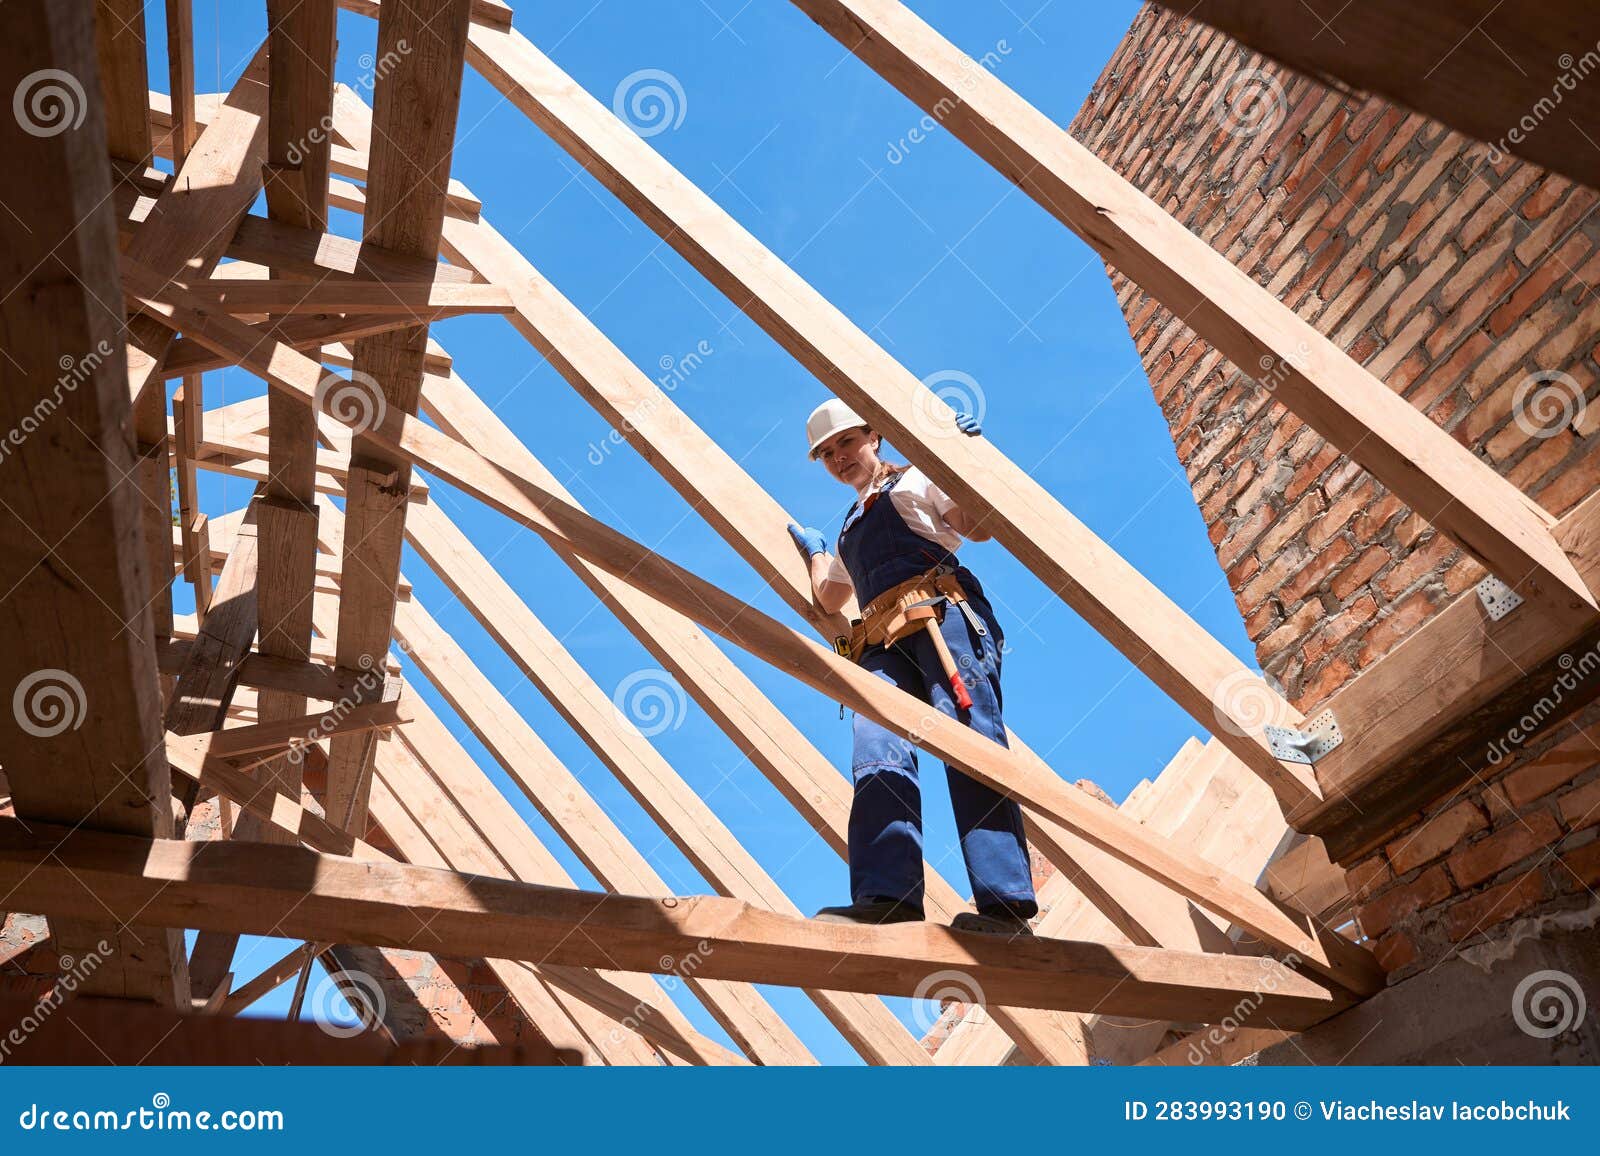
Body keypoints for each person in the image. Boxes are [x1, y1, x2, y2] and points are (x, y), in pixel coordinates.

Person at [787, 399, 1038, 936]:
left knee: (968, 740)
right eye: (827, 453)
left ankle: (1006, 906)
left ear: (874, 436)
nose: (839, 457)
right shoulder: (853, 521)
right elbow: (831, 597)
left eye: (846, 443)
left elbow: (978, 526)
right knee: (876, 750)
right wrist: (814, 552)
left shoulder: (917, 480)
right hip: (881, 641)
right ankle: (888, 896)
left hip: (940, 617)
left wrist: (967, 457)